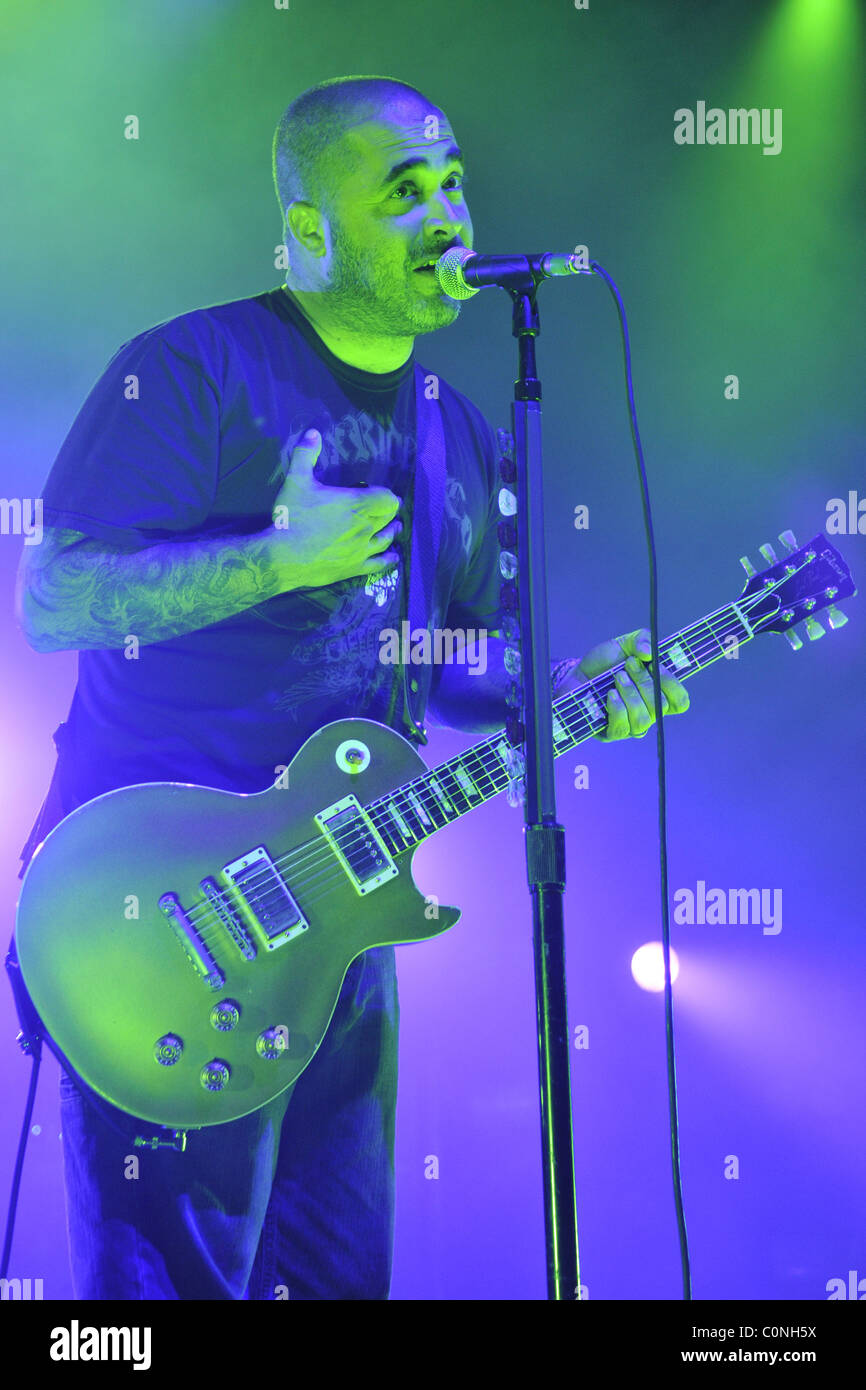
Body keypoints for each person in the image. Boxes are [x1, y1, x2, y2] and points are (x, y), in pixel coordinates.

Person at [13, 75, 689, 1300]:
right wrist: (276, 559)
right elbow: (58, 594)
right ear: (309, 227)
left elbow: (464, 662)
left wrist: (565, 691)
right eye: (403, 194)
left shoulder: (457, 430)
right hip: (163, 918)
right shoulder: (192, 368)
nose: (449, 220)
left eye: (452, 184)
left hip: (338, 932)